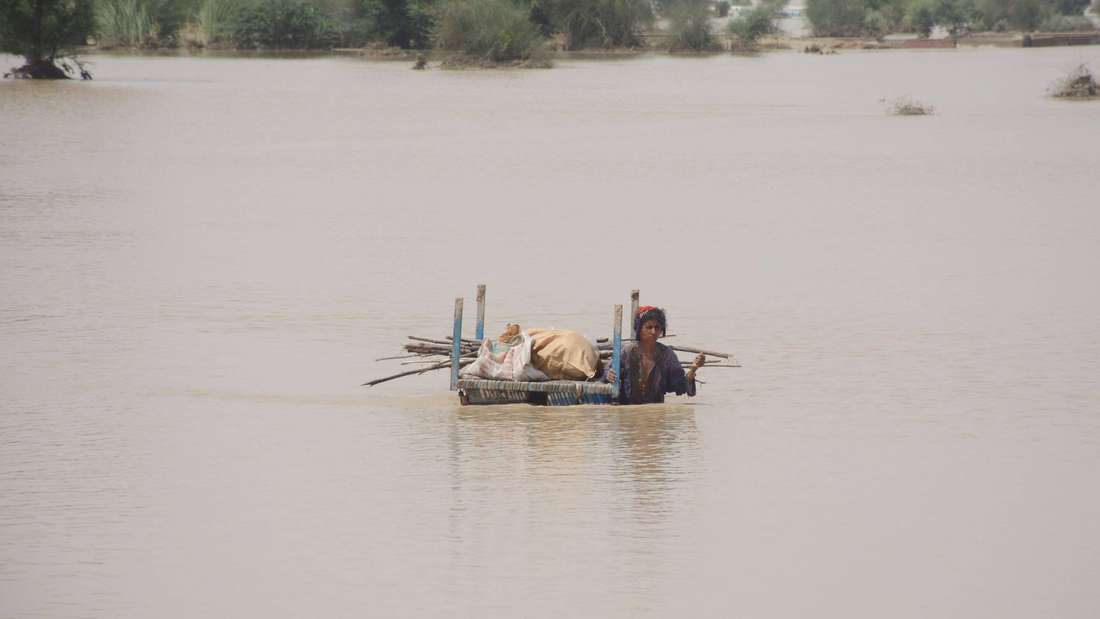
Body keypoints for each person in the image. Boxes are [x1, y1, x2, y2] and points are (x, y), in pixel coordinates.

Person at [604, 306, 705, 404]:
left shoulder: (667, 355)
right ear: (639, 329)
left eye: (657, 327)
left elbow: (681, 385)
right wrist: (609, 374)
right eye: (649, 327)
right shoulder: (627, 351)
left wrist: (693, 369)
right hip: (628, 410)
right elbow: (607, 372)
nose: (653, 331)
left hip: (656, 413)